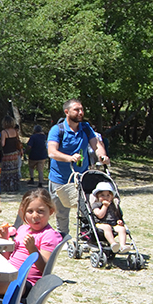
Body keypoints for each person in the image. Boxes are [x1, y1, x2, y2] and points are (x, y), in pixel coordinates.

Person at [47, 99, 110, 234]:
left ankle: (87, 237)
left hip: (82, 178)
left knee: (87, 209)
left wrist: (102, 156)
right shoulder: (57, 130)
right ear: (67, 112)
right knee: (62, 214)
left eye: (82, 109)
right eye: (77, 110)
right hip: (60, 179)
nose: (81, 112)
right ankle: (63, 239)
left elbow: (97, 145)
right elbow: (52, 152)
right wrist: (69, 158)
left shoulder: (86, 128)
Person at [0, 189, 62, 293]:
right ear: (23, 212)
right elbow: (8, 258)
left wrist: (33, 249)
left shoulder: (49, 235)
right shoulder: (22, 229)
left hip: (25, 283)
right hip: (7, 274)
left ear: (51, 211)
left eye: (40, 211)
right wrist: (4, 239)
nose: (35, 215)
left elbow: (45, 269)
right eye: (30, 211)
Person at [89, 181, 129, 251]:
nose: (105, 197)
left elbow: (115, 215)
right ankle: (113, 243)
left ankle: (123, 246)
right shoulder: (96, 204)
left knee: (122, 229)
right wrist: (105, 206)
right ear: (97, 196)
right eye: (102, 195)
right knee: (107, 227)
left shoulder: (112, 205)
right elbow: (99, 215)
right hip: (100, 223)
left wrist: (118, 221)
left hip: (113, 224)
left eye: (108, 195)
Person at [0, 116, 22, 192]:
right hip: (14, 154)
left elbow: (3, 144)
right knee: (14, 171)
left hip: (7, 154)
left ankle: (7, 186)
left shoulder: (4, 132)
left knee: (6, 171)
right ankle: (14, 186)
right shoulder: (15, 131)